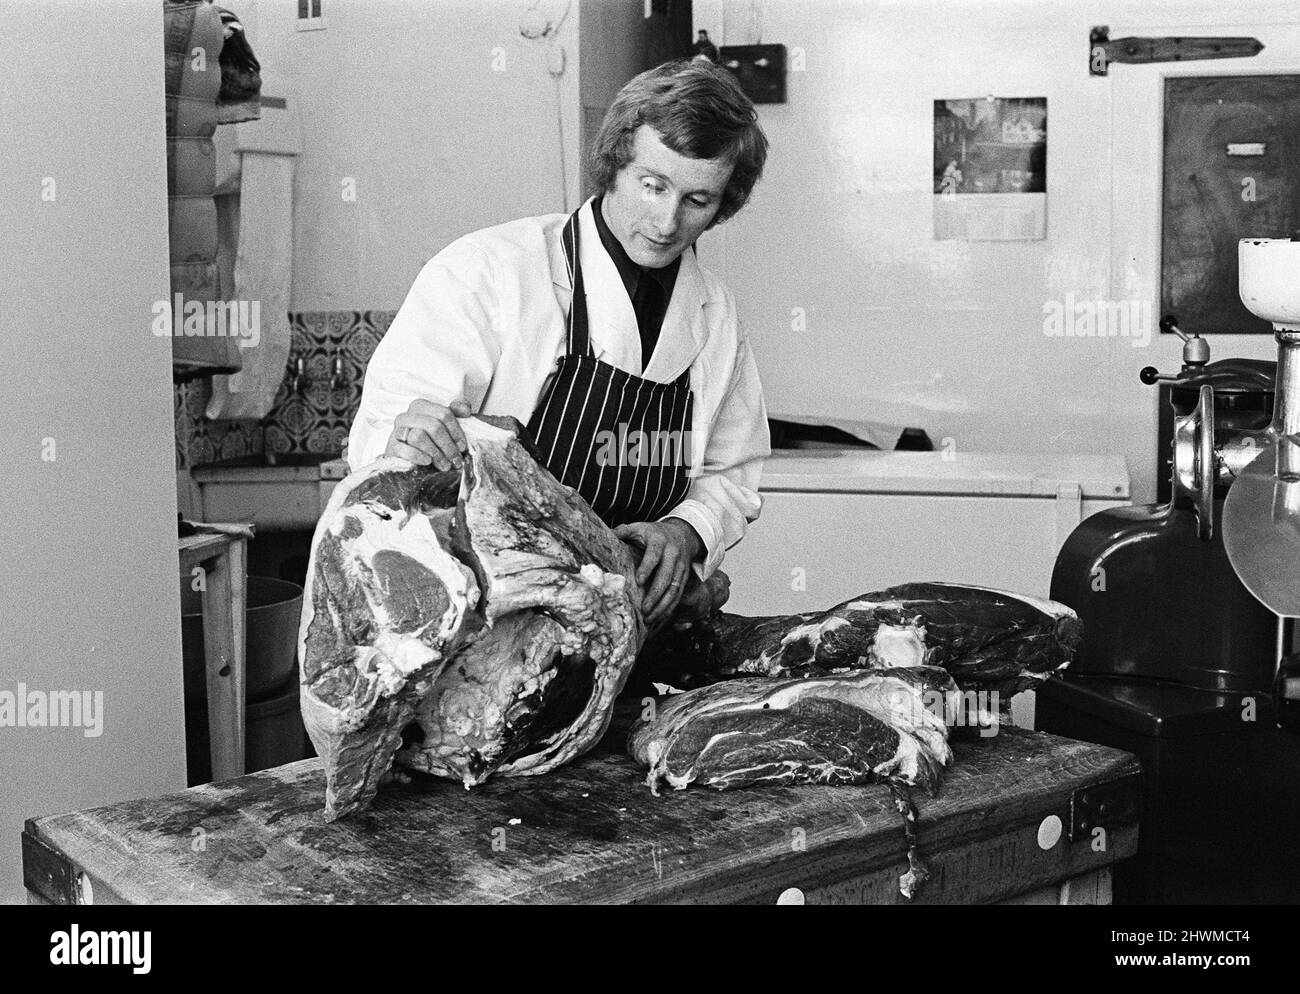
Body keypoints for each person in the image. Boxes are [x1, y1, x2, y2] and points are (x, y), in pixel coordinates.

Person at [349, 60, 770, 629]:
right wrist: (407, 440)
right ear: (614, 167)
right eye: (653, 186)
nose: (668, 221)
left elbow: (731, 470)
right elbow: (380, 451)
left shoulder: (716, 316)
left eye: (697, 201)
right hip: (479, 628)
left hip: (624, 631)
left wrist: (687, 531)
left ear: (725, 205)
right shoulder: (488, 272)